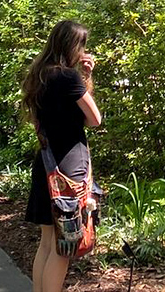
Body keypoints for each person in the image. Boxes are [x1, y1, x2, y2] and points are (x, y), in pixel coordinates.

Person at [22, 20, 101, 292]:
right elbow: (94, 119)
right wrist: (86, 77)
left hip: (45, 163)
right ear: (71, 46)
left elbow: (39, 121)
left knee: (46, 243)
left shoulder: (39, 74)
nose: (83, 52)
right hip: (69, 168)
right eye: (81, 46)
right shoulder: (68, 77)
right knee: (64, 245)